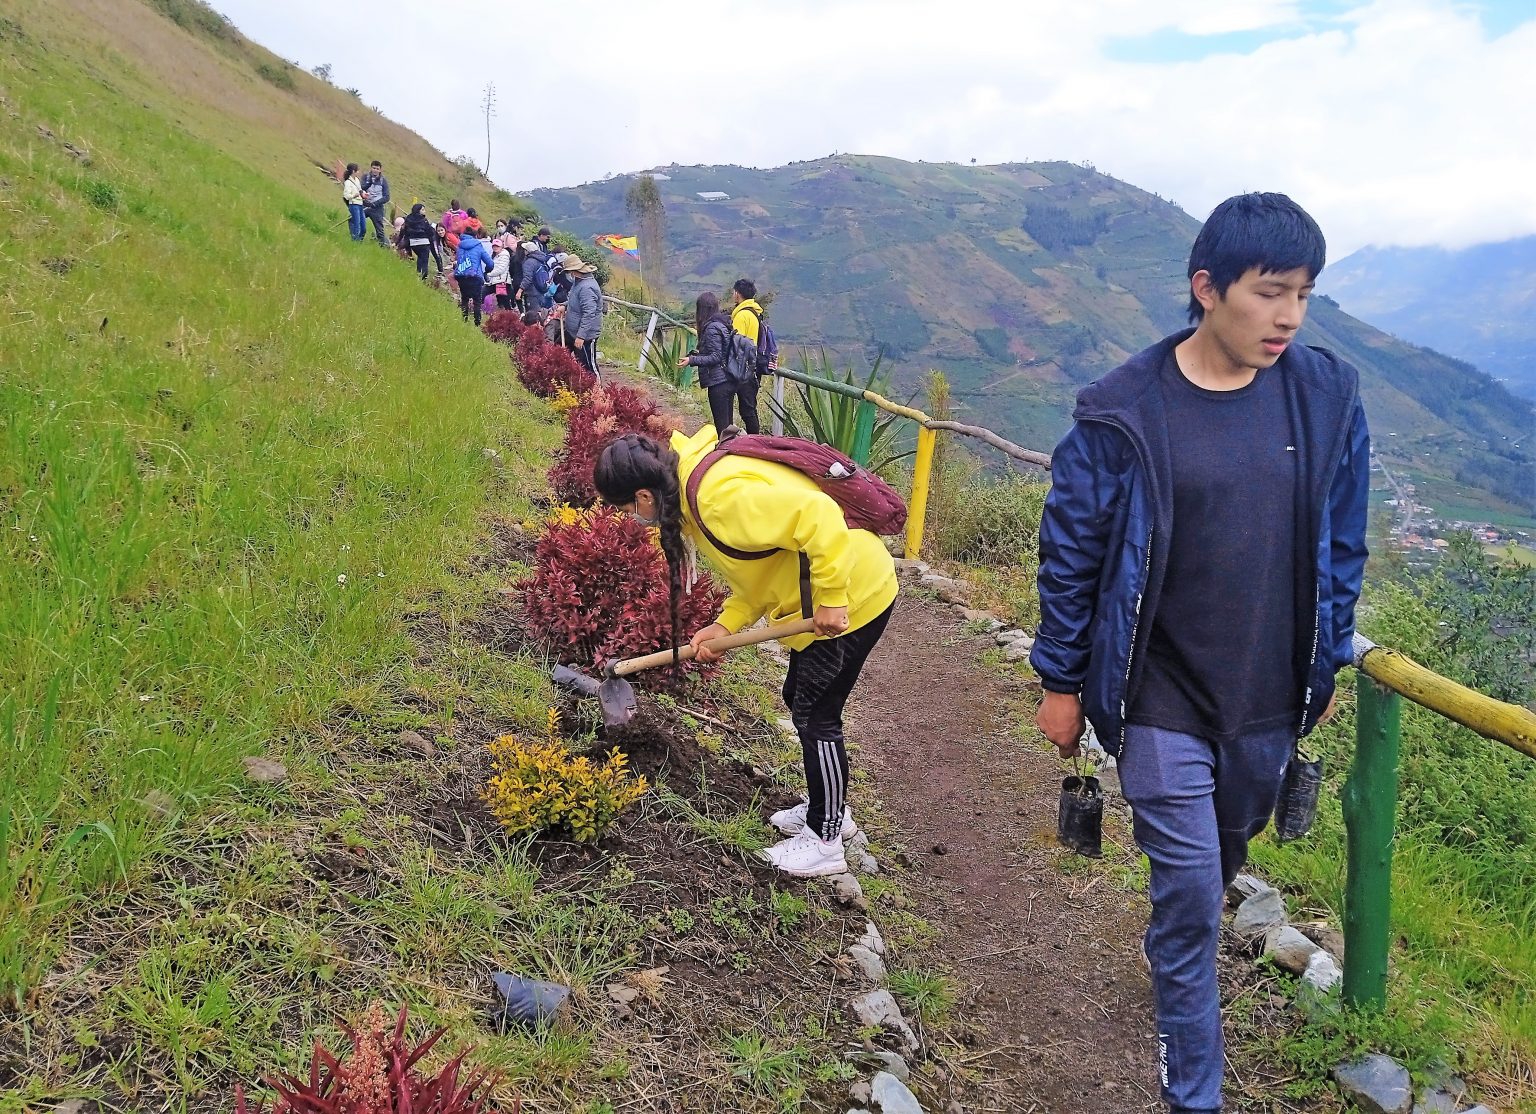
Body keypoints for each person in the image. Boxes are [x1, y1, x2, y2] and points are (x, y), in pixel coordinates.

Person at [1029, 192, 1370, 1114]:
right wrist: (1060, 678)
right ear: (1207, 288)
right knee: (1187, 892)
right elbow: (1072, 552)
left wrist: (1330, 655)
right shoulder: (1124, 413)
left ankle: (1175, 947)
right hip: (1158, 695)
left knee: (1219, 861)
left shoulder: (1327, 397)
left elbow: (1343, 545)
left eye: (1303, 294)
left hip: (1267, 698)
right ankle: (1195, 1092)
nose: (1288, 317)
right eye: (1269, 292)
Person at [593, 429, 898, 877]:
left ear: (643, 495)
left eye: (627, 510)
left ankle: (826, 838)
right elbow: (761, 571)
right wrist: (724, 626)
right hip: (825, 594)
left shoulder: (718, 499)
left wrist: (833, 597)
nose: (633, 519)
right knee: (800, 699)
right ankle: (828, 808)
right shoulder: (694, 491)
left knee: (817, 716)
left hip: (854, 595)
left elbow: (819, 515)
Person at [683, 292, 759, 435]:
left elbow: (716, 356)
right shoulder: (721, 324)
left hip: (719, 383)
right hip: (727, 380)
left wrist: (692, 360)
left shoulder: (711, 328)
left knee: (723, 430)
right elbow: (720, 352)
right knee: (727, 429)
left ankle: (726, 448)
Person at [558, 256, 602, 379]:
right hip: (572, 331)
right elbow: (575, 300)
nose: (569, 274)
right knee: (560, 351)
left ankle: (597, 388)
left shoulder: (587, 287)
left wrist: (581, 336)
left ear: (575, 271)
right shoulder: (578, 282)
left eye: (569, 271)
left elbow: (589, 313)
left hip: (586, 335)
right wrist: (565, 306)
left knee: (588, 366)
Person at [453, 228, 494, 325]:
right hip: (475, 276)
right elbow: (490, 263)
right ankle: (477, 323)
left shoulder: (460, 246)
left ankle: (464, 320)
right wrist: (486, 271)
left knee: (464, 298)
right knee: (477, 301)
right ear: (475, 236)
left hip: (461, 275)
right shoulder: (478, 245)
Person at [401, 204, 442, 281]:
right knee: (425, 261)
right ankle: (424, 277)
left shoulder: (408, 219)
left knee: (420, 257)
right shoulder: (423, 220)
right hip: (424, 242)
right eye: (422, 210)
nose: (424, 211)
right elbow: (429, 231)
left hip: (413, 243)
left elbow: (404, 230)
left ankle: (418, 273)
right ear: (418, 211)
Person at [517, 237, 553, 322]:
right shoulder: (541, 259)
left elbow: (527, 278)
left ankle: (535, 329)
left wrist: (520, 291)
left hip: (532, 293)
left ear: (527, 251)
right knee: (540, 314)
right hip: (541, 290)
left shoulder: (529, 262)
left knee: (533, 316)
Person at [360, 160, 391, 246]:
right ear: (371, 168)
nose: (375, 170)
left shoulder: (383, 181)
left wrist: (376, 203)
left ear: (380, 170)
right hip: (364, 205)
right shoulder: (365, 177)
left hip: (377, 208)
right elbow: (360, 188)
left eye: (377, 169)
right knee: (356, 221)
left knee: (379, 230)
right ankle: (357, 240)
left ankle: (383, 246)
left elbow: (387, 197)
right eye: (374, 168)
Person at [729, 278, 764, 349]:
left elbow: (737, 344)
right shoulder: (754, 312)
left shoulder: (741, 316)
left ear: (737, 294)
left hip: (742, 355)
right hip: (751, 353)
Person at [341, 163, 365, 242]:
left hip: (360, 204)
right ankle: (355, 241)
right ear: (353, 171)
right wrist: (354, 196)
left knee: (363, 227)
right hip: (354, 205)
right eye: (357, 170)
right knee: (356, 225)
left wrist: (364, 194)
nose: (358, 172)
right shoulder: (348, 182)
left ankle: (359, 241)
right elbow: (346, 195)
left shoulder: (357, 180)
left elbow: (360, 190)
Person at [487, 240, 513, 309]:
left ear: (502, 247)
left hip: (502, 282)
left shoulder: (504, 256)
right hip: (495, 281)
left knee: (505, 302)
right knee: (502, 302)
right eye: (494, 246)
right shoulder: (495, 256)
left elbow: (501, 269)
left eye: (497, 246)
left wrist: (489, 274)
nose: (495, 248)